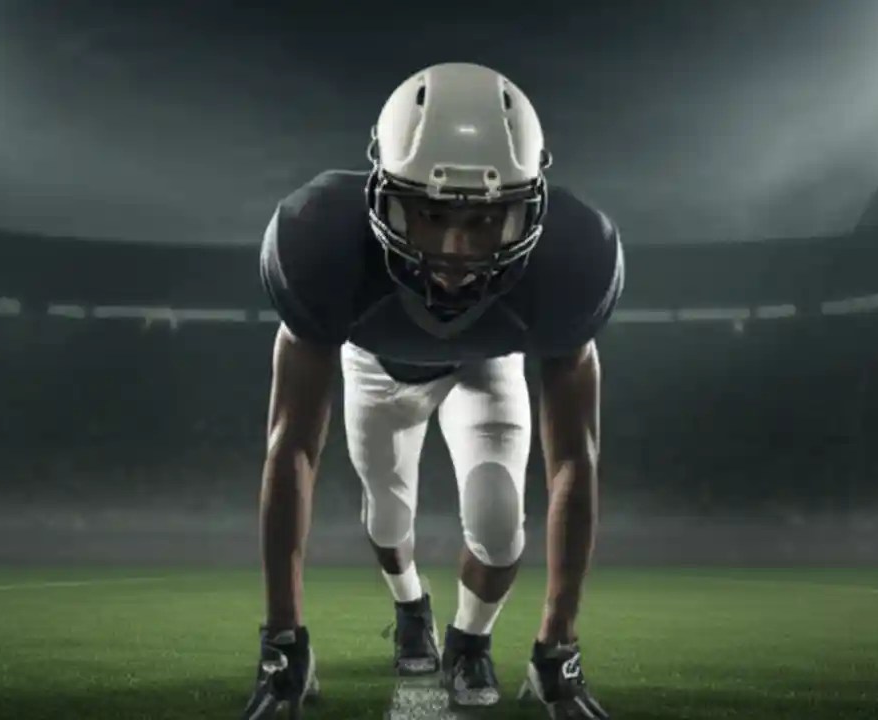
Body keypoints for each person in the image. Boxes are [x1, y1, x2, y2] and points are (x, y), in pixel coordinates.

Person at [242, 61, 622, 719]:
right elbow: (292, 447)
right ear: (381, 195)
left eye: (485, 221)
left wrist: (558, 646)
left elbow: (572, 463)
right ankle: (410, 603)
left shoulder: (571, 260)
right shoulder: (321, 245)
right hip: (376, 367)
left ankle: (470, 639)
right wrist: (284, 643)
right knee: (388, 517)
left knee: (502, 523)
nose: (453, 251)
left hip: (486, 366)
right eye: (426, 213)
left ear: (530, 208)